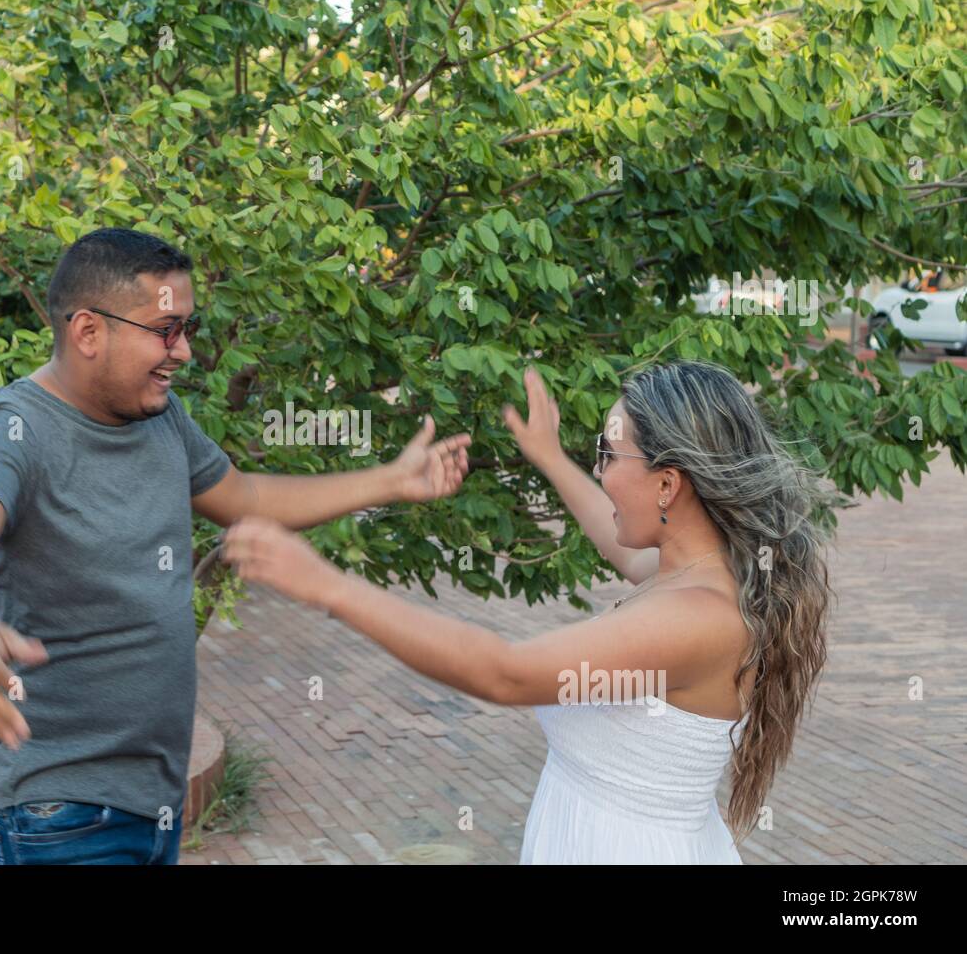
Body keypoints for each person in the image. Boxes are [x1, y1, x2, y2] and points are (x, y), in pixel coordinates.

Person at [0, 227, 471, 865]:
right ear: (88, 332)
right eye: (165, 329)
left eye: (188, 327)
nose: (182, 351)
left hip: (151, 799)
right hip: (60, 811)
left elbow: (247, 501)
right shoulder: (11, 428)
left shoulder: (160, 416)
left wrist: (390, 481)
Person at [223, 360, 834, 863]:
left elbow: (505, 671)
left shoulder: (696, 616)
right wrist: (548, 455)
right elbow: (613, 539)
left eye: (608, 453)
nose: (599, 469)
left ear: (668, 484)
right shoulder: (692, 574)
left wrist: (326, 584)